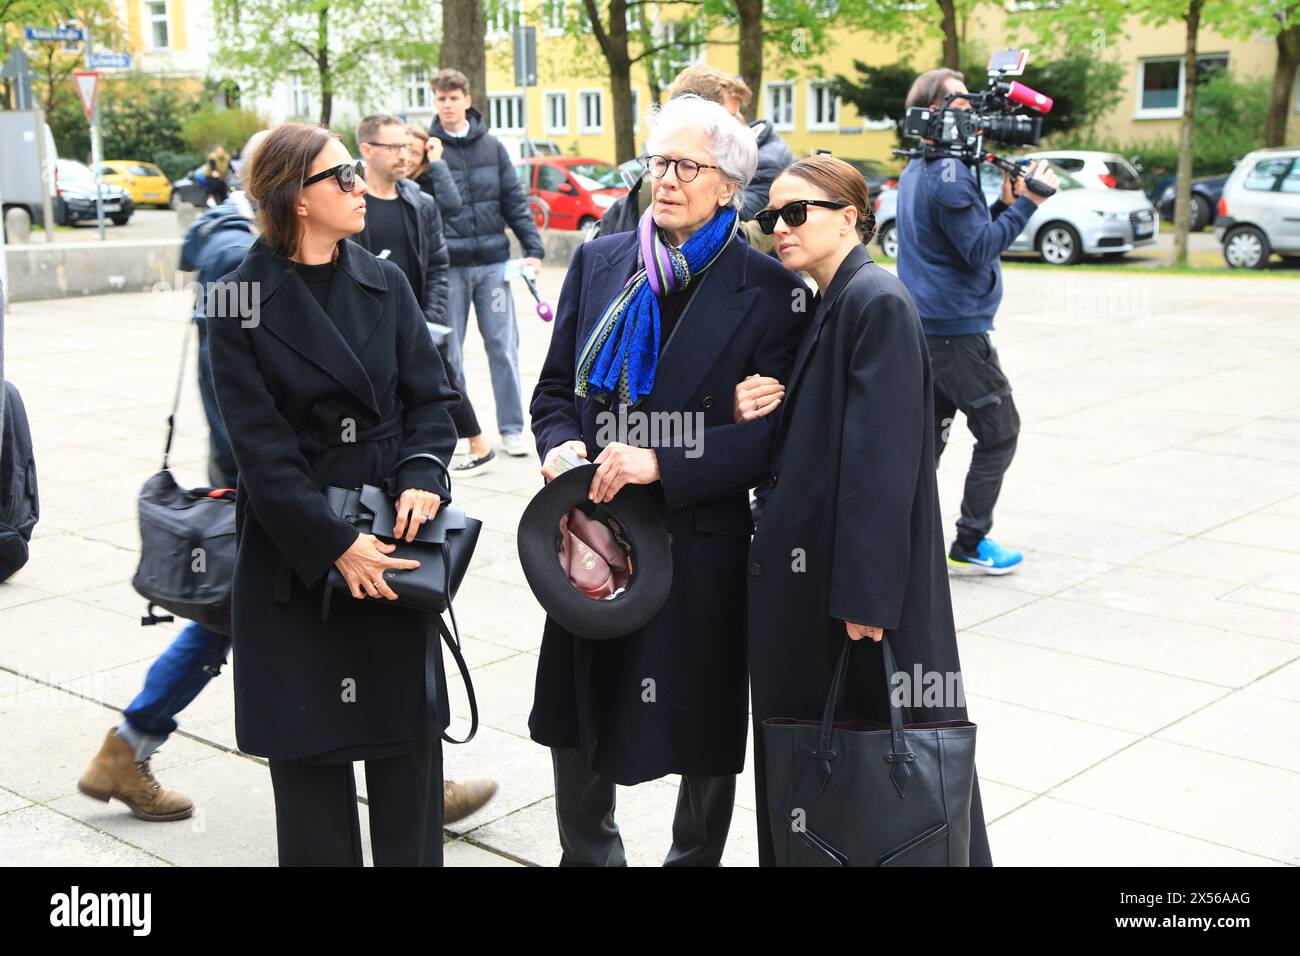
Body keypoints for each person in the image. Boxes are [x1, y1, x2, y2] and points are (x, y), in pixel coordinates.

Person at [528, 94, 806, 866]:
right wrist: (559, 449)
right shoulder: (600, 258)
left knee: (704, 724)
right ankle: (590, 857)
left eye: (688, 166)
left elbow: (771, 440)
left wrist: (665, 459)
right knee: (581, 710)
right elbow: (555, 393)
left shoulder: (772, 290)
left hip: (697, 540)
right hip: (592, 526)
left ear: (729, 185)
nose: (668, 179)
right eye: (659, 163)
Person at [207, 122, 461, 866]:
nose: (361, 186)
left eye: (357, 173)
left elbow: (430, 402)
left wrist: (422, 472)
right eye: (342, 176)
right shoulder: (237, 303)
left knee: (407, 752)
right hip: (299, 553)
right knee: (310, 755)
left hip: (388, 541)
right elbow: (259, 449)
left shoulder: (386, 281)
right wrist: (332, 543)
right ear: (297, 198)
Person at [740, 155, 993, 866]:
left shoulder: (874, 300)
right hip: (826, 579)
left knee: (889, 762)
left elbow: (883, 466)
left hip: (854, 592)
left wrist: (866, 596)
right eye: (770, 218)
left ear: (850, 215)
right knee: (848, 762)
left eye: (798, 213)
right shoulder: (835, 296)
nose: (780, 229)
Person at [76, 130, 270, 823]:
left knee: (228, 619)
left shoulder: (239, 244)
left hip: (264, 474)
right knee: (232, 617)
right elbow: (230, 384)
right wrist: (254, 475)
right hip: (260, 479)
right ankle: (420, 778)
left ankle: (127, 748)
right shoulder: (233, 253)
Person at [352, 113, 498, 824]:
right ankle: (137, 732)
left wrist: (430, 321)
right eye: (395, 147)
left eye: (413, 147)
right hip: (315, 487)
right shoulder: (345, 217)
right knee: (231, 623)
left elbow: (436, 265)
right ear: (365, 152)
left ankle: (420, 775)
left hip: (408, 373)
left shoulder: (417, 203)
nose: (407, 156)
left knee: (402, 607)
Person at [894, 68, 1058, 575]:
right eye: (963, 108)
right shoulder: (949, 172)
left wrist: (1003, 204)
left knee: (929, 443)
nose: (976, 117)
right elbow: (978, 248)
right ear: (935, 111)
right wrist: (1029, 202)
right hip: (955, 333)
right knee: (1000, 429)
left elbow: (959, 232)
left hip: (929, 325)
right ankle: (969, 542)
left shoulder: (924, 167)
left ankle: (897, 541)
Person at [428, 68, 545, 473]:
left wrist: (533, 246)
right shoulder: (428, 149)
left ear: (466, 98)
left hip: (494, 264)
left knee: (503, 347)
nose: (446, 104)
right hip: (450, 267)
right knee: (449, 353)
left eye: (453, 97)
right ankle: (461, 431)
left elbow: (514, 199)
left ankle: (512, 428)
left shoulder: (492, 147)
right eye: (440, 98)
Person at [404, 122, 495, 476]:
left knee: (443, 371)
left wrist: (437, 163)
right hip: (413, 287)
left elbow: (454, 204)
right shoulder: (395, 190)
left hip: (435, 284)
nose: (408, 156)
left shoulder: (425, 187)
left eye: (415, 151)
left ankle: (478, 441)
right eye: (404, 150)